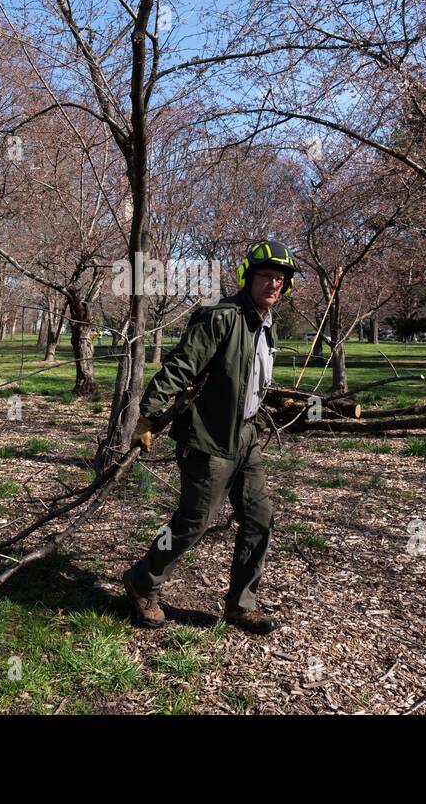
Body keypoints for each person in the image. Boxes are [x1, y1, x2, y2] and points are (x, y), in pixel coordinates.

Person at [122, 240, 299, 635]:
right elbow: (181, 365)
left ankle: (240, 605)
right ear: (248, 278)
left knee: (259, 519)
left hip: (246, 437)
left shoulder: (265, 325)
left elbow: (247, 378)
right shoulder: (220, 317)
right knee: (193, 521)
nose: (274, 284)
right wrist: (147, 417)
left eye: (281, 279)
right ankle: (142, 582)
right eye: (267, 276)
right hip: (208, 438)